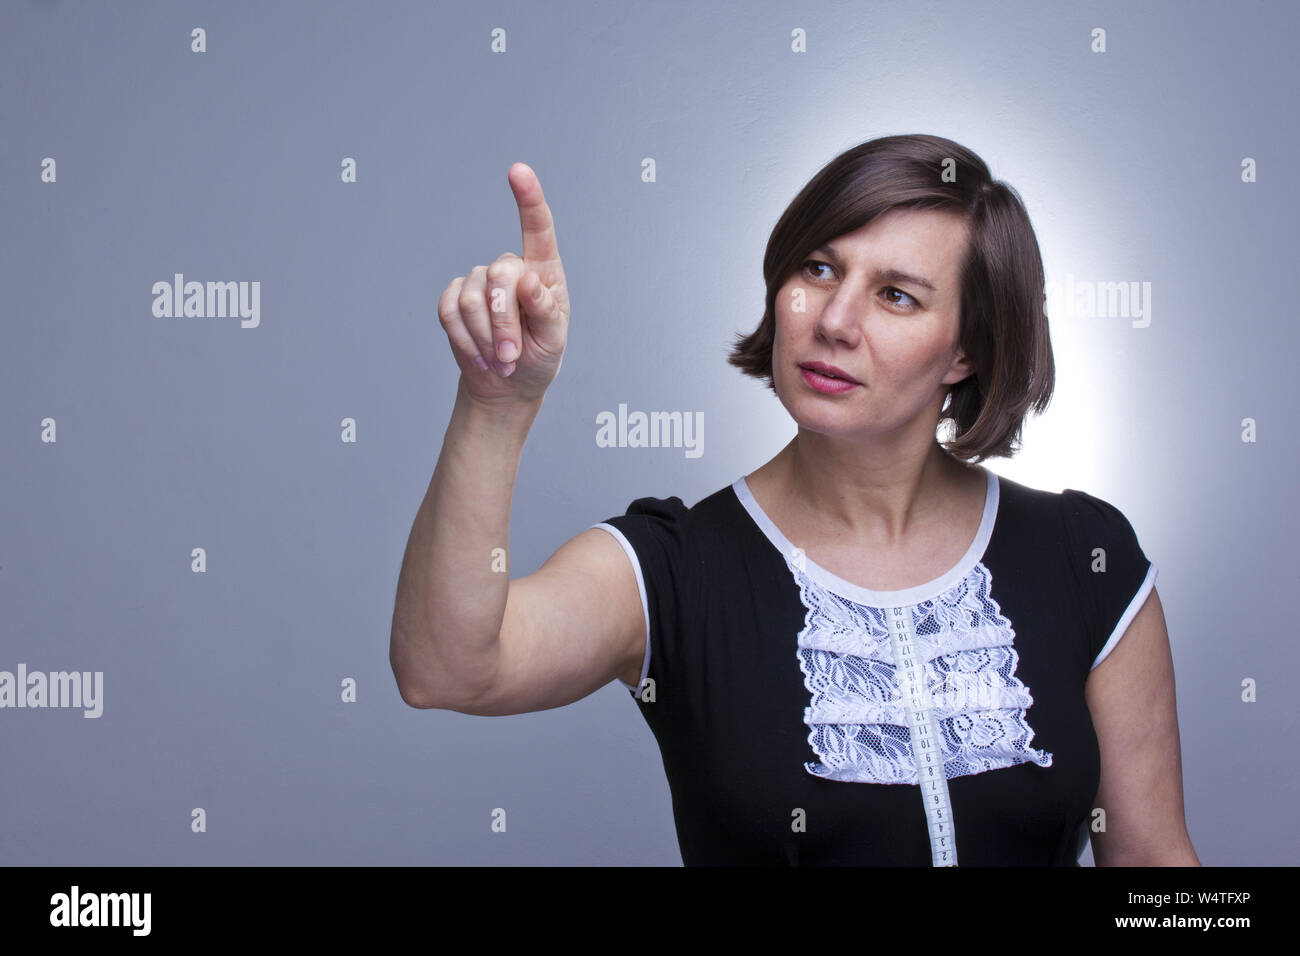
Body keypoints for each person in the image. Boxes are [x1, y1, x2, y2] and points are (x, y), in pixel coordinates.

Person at [389, 134, 1200, 867]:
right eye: (818, 269)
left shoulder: (1083, 557)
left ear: (966, 351)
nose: (835, 321)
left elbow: (1157, 873)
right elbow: (448, 669)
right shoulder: (674, 569)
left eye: (897, 296)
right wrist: (496, 406)